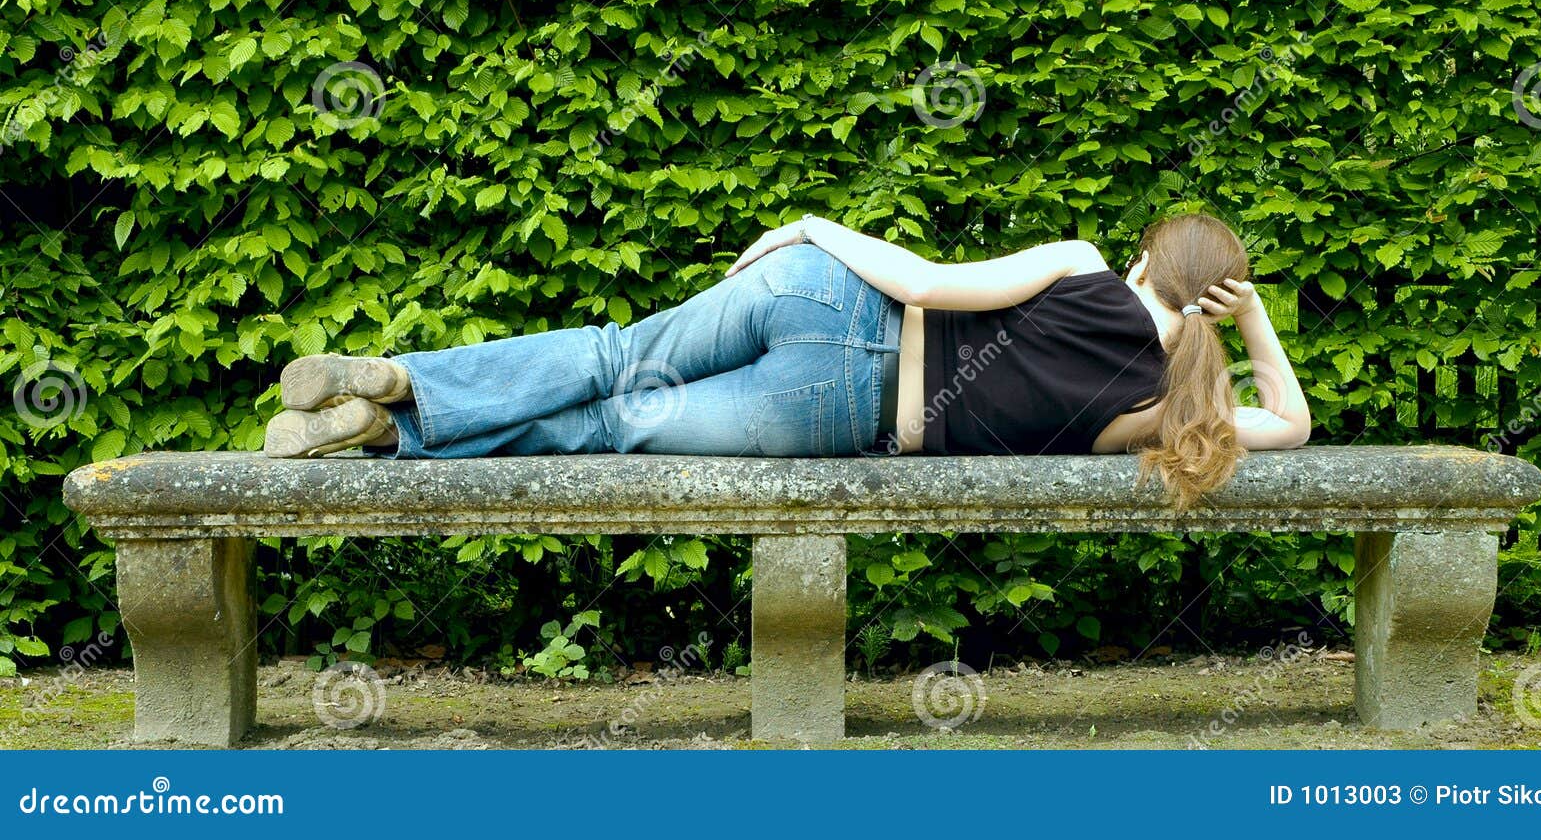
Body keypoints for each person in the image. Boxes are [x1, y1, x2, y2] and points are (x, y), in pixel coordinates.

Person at [264, 210, 1310, 508]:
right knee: (615, 425)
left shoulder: (1080, 263)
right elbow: (1292, 425)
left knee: (615, 355)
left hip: (824, 294)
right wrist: (1254, 324)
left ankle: (405, 385)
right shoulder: (1167, 409)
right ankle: (391, 433)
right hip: (842, 409)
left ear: (1144, 260)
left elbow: (926, 284)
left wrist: (811, 227)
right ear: (1218, 306)